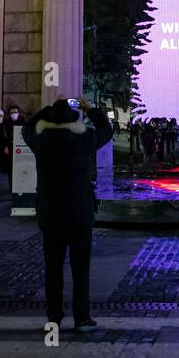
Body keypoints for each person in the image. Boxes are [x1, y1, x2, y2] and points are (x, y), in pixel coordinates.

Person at [23, 97, 113, 333]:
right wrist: (91, 108)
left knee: (52, 269)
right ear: (74, 118)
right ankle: (82, 318)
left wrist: (47, 109)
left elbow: (26, 127)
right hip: (79, 214)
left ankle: (53, 317)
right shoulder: (83, 139)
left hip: (51, 215)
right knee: (81, 267)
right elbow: (106, 130)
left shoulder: (40, 141)